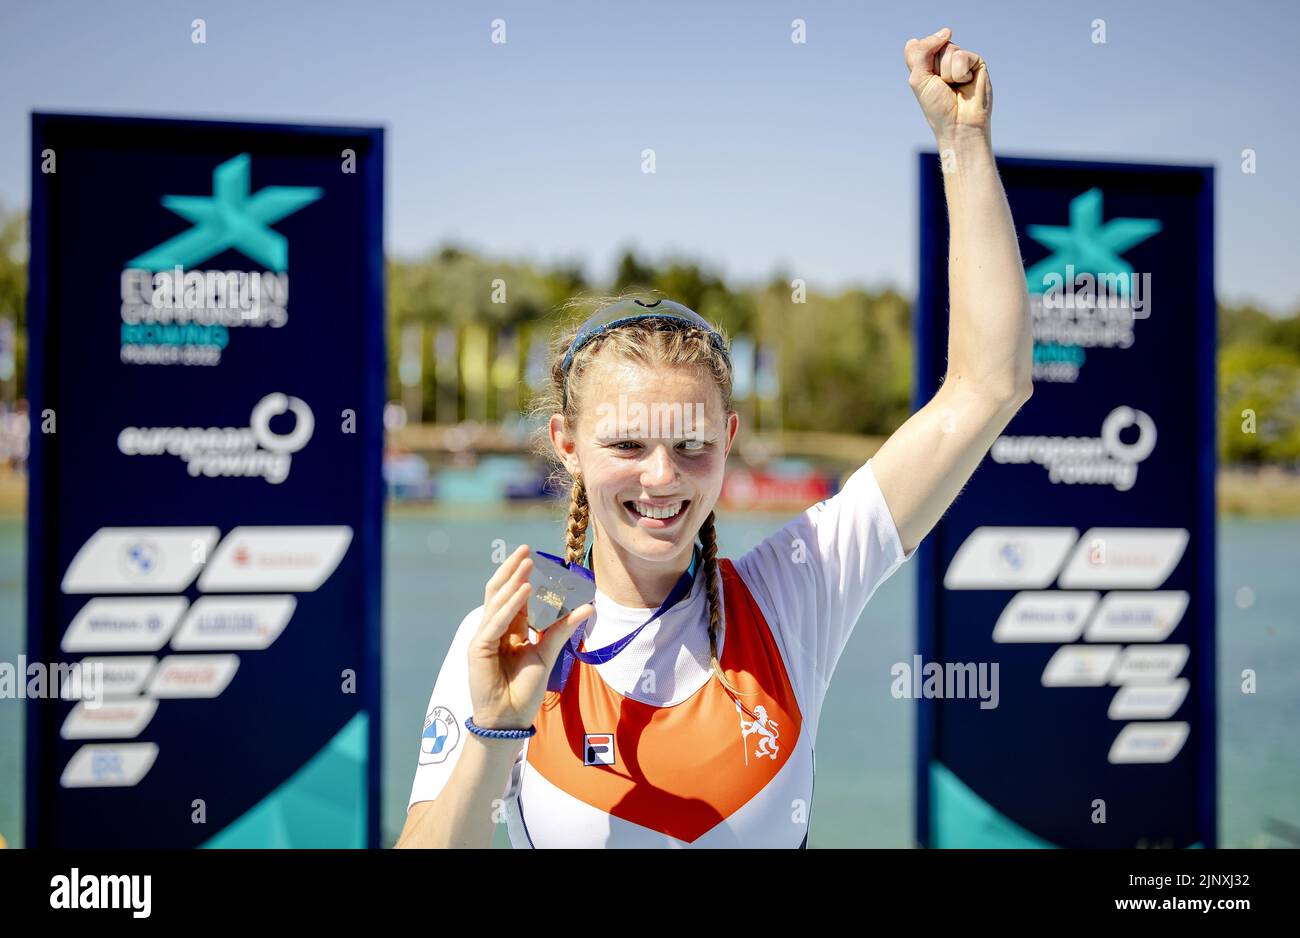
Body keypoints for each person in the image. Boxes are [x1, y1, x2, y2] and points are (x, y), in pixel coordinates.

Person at [396, 26, 1032, 848]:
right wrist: (496, 730)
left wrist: (964, 142)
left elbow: (988, 386)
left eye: (691, 444)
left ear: (729, 438)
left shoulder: (797, 591)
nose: (662, 476)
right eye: (627, 445)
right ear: (565, 444)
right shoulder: (507, 643)